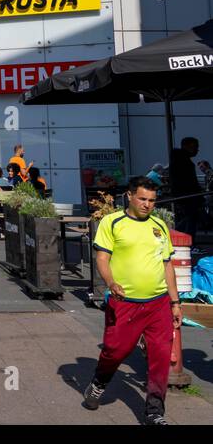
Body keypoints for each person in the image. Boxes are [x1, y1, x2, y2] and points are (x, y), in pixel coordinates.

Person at [83, 177, 181, 425]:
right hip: (125, 302)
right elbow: (102, 259)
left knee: (160, 355)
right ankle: (99, 382)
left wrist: (175, 302)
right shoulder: (112, 222)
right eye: (143, 199)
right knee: (115, 352)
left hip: (158, 303)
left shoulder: (159, 225)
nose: (148, 205)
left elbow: (167, 265)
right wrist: (111, 282)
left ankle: (154, 412)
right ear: (129, 196)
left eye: (152, 201)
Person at [169, 136, 200, 234]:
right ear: (187, 147)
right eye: (195, 147)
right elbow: (188, 180)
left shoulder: (178, 159)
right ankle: (186, 242)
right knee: (189, 220)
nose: (197, 150)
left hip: (183, 195)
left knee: (188, 219)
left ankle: (184, 240)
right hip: (187, 195)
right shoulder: (184, 161)